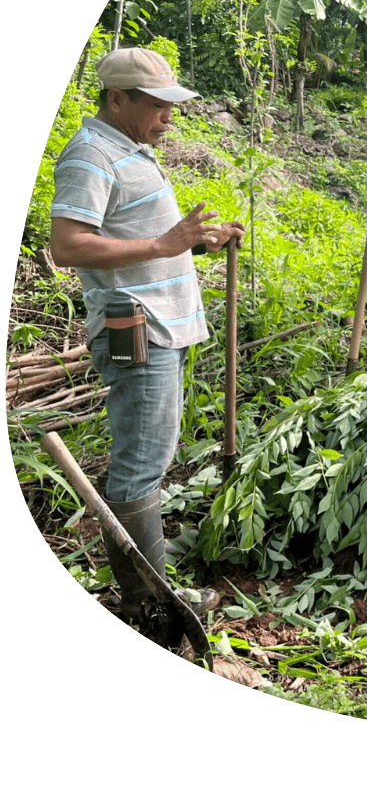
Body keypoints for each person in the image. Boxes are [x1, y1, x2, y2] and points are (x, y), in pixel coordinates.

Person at [50, 46, 244, 626]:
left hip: (162, 326)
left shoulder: (129, 148)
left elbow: (137, 236)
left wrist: (197, 243)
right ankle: (149, 603)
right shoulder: (90, 154)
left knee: (150, 456)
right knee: (140, 463)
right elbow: (68, 245)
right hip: (138, 330)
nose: (168, 115)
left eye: (170, 104)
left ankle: (150, 589)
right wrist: (164, 243)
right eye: (157, 104)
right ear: (117, 99)